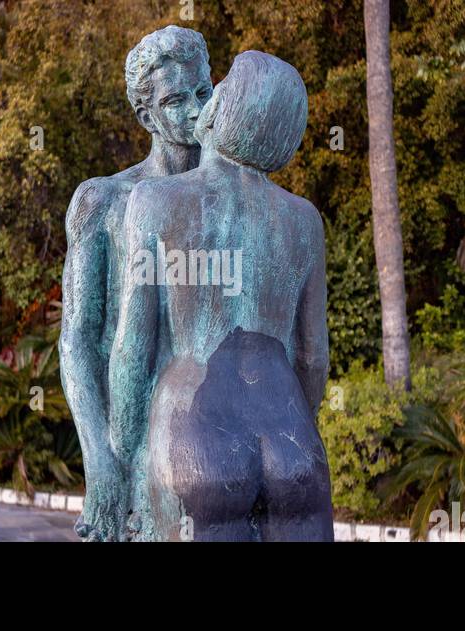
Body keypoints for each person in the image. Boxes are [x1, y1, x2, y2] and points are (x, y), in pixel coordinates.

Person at [108, 51, 333, 541]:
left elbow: (132, 348)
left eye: (221, 85)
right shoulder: (303, 220)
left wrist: (126, 457)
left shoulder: (153, 203)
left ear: (227, 111)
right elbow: (314, 357)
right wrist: (292, 418)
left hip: (195, 434)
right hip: (293, 440)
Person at [59, 25, 213, 542]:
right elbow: (78, 339)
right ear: (147, 116)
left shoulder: (234, 203)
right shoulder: (102, 201)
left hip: (212, 439)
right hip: (133, 442)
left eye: (203, 93)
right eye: (175, 101)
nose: (194, 111)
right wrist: (99, 461)